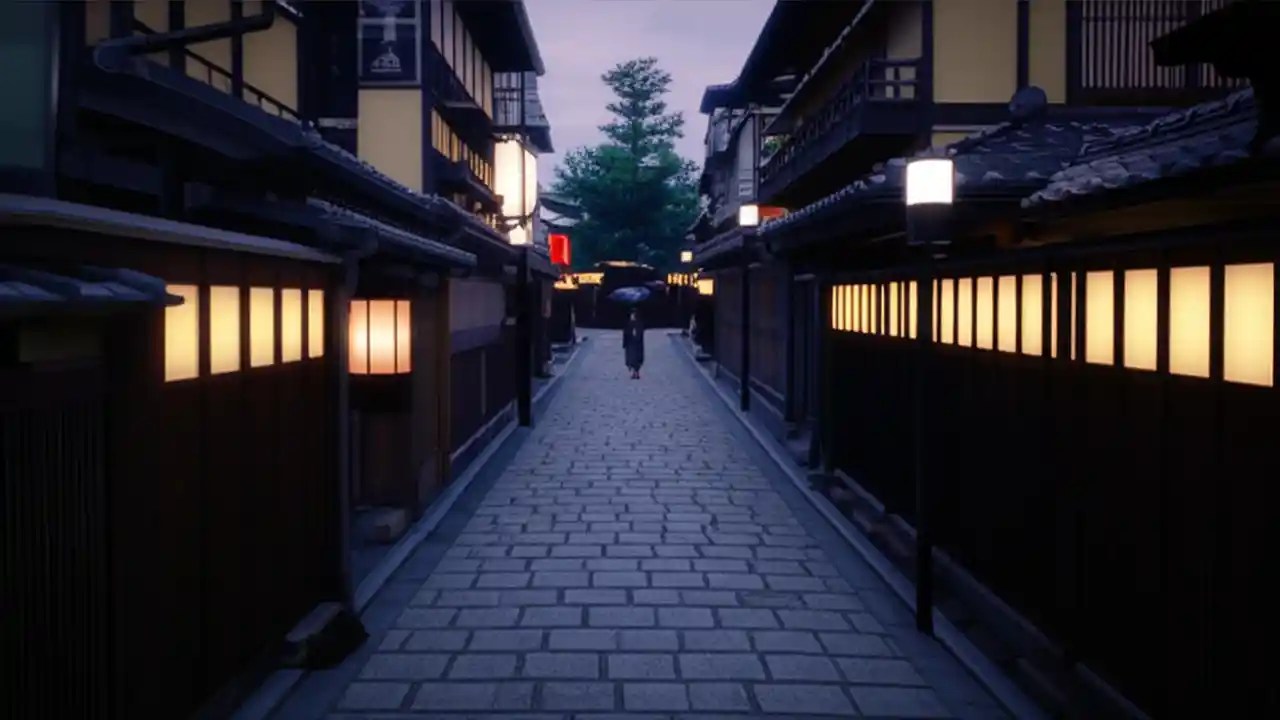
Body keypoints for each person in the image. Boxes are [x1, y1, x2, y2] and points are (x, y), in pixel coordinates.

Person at [623, 308, 645, 379]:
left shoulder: (639, 323)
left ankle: (636, 372)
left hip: (636, 344)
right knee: (632, 358)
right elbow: (625, 333)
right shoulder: (629, 323)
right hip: (631, 343)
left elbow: (640, 334)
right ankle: (634, 372)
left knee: (637, 358)